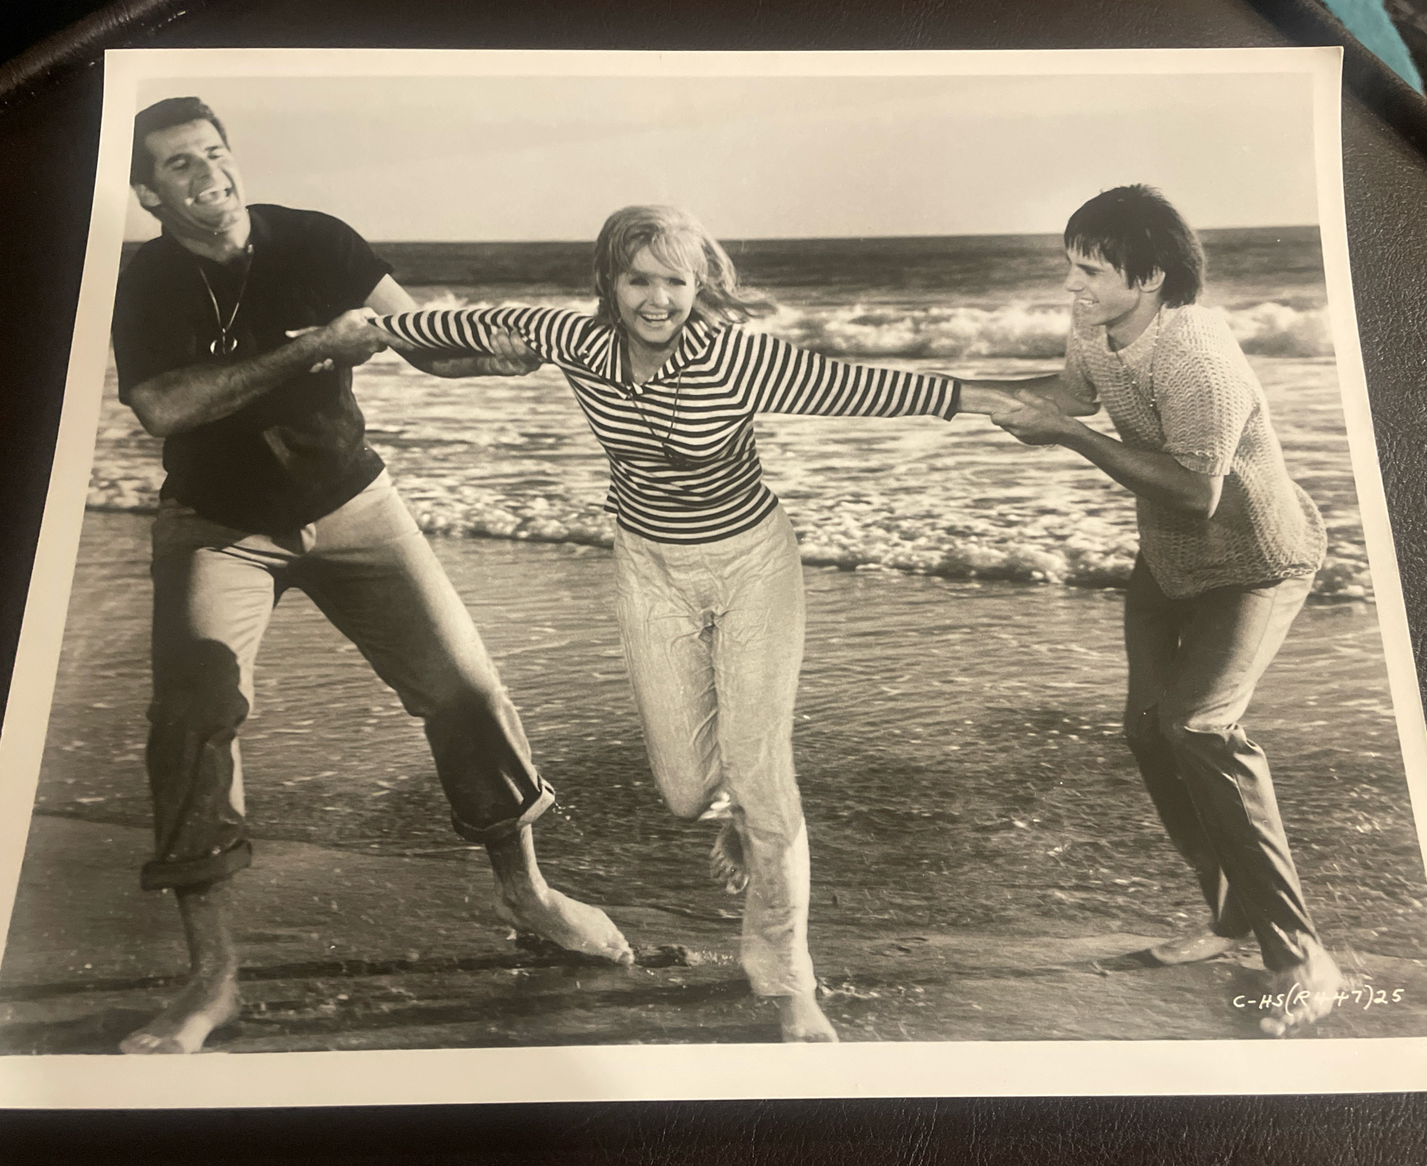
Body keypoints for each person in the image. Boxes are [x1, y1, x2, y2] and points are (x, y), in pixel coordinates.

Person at [372, 206, 1017, 1042]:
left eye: (676, 281)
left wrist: (1002, 399)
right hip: (650, 569)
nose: (658, 299)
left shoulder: (734, 357)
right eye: (639, 278)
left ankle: (788, 978)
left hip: (754, 564)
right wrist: (361, 330)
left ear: (699, 284)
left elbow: (866, 385)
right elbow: (463, 321)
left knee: (762, 775)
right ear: (608, 281)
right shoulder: (576, 342)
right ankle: (744, 816)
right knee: (684, 792)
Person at [110, 97, 631, 1055]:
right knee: (194, 720)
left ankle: (530, 894)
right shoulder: (146, 282)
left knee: (468, 693)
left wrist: (509, 357)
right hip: (217, 528)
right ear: (148, 192)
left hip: (355, 503)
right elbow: (162, 407)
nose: (210, 175)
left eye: (216, 155)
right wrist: (313, 348)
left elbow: (420, 339)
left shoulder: (317, 241)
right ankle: (211, 977)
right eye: (180, 165)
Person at [977, 185, 1342, 1036]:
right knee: (1149, 729)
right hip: (1170, 564)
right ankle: (1230, 920)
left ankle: (1301, 956)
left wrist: (1070, 439)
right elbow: (1071, 394)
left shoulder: (1197, 356)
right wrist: (965, 392)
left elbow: (1197, 494)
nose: (1072, 285)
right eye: (1070, 266)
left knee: (1200, 727)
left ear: (1148, 277)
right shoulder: (1097, 326)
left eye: (1089, 271)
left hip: (1255, 558)